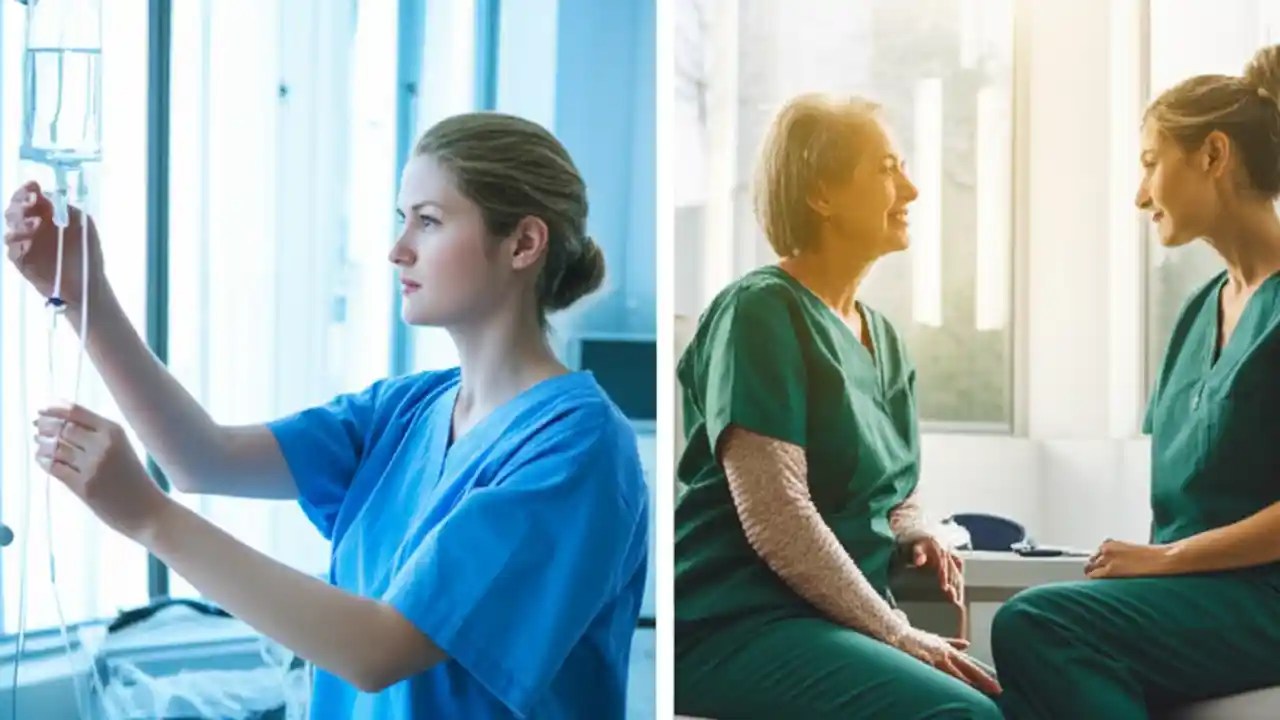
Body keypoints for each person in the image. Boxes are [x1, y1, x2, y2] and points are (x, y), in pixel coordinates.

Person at [4, 112, 650, 720]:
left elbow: (380, 651)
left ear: (524, 243)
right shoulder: (406, 410)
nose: (398, 249)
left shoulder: (577, 447)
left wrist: (148, 518)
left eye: (428, 220)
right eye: (402, 219)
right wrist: (86, 296)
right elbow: (201, 458)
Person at [672, 93, 1002, 719]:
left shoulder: (884, 337)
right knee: (963, 716)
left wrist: (914, 531)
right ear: (821, 193)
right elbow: (778, 514)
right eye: (885, 168)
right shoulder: (760, 311)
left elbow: (892, 489)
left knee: (1024, 701)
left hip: (830, 620)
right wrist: (899, 633)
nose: (910, 188)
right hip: (735, 622)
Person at [991, 45, 1280, 719]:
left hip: (1263, 598)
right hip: (1201, 593)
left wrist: (1166, 560)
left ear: (1212, 154)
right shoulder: (1196, 315)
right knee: (1014, 696)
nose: (1139, 193)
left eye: (1151, 163)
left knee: (1036, 624)